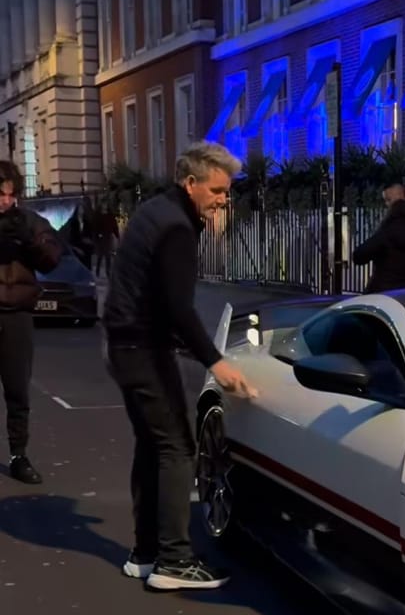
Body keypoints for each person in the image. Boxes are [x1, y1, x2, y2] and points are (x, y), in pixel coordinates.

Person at [102, 141, 256, 592]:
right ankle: (175, 560)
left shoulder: (156, 211)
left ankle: (146, 553)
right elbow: (179, 309)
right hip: (143, 349)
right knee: (177, 448)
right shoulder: (176, 227)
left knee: (152, 446)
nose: (223, 200)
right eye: (217, 191)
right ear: (191, 183)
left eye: (227, 192)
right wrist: (216, 362)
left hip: (125, 344)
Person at [0, 160, 65, 483]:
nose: (5, 201)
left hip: (16, 315)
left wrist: (29, 240)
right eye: (0, 194)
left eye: (10, 194)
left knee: (17, 390)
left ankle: (18, 455)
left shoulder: (29, 221)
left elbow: (52, 259)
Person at [352, 183, 405, 293]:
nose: (386, 204)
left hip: (382, 290)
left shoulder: (388, 229)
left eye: (387, 200)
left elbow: (360, 255)